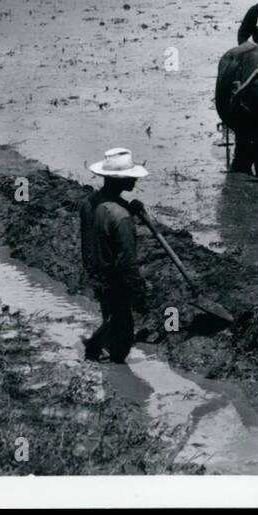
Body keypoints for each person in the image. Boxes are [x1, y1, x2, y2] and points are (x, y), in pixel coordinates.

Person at [80, 148, 149, 364]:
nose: (135, 181)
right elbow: (127, 262)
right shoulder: (122, 218)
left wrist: (129, 206)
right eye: (131, 177)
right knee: (122, 335)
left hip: (96, 272)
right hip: (116, 278)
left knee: (110, 316)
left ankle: (97, 349)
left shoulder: (90, 202)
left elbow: (100, 229)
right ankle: (110, 370)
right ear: (120, 180)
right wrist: (139, 294)